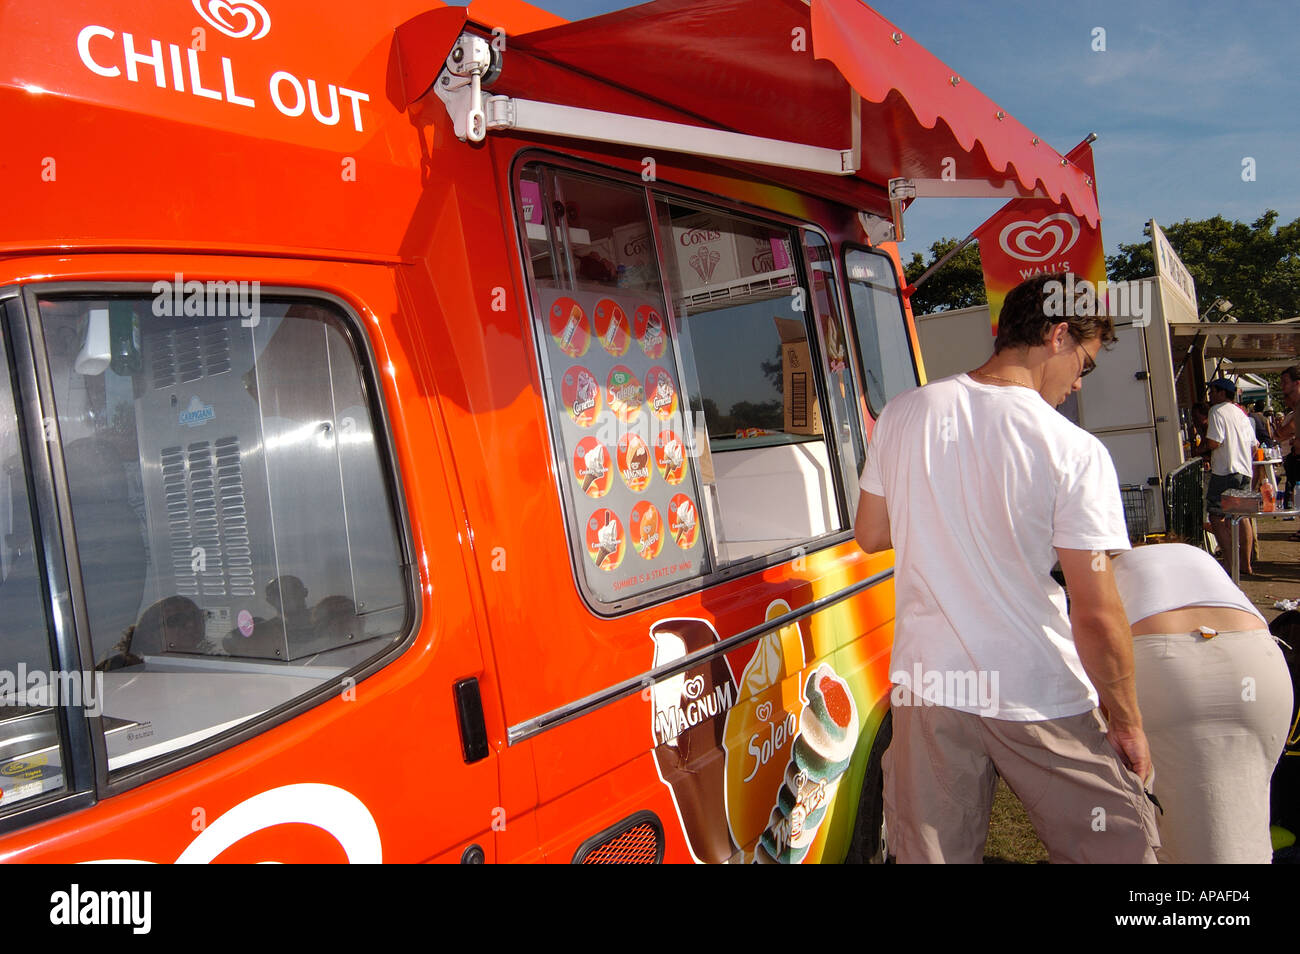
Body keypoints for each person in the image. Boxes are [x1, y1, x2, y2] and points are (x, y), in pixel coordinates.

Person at [854, 273, 1159, 864]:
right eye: (1084, 364)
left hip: (930, 686)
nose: (1076, 383)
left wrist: (939, 509)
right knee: (1117, 849)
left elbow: (871, 534)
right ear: (1058, 334)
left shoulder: (904, 412)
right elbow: (1096, 612)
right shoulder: (1073, 449)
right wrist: (1126, 724)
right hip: (1034, 686)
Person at [1111, 543, 1292, 863]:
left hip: (1165, 664)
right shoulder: (1198, 559)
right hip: (1259, 660)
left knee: (1172, 834)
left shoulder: (1104, 570)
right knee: (1244, 826)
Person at [1205, 378, 1258, 572]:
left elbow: (1214, 442)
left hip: (1225, 470)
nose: (1210, 395)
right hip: (1244, 470)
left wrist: (1201, 449)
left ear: (1221, 393)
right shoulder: (1241, 413)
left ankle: (1230, 561)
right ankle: (1246, 563)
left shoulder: (1216, 411)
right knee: (1242, 516)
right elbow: (1255, 445)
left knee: (1215, 515)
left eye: (1212, 391)